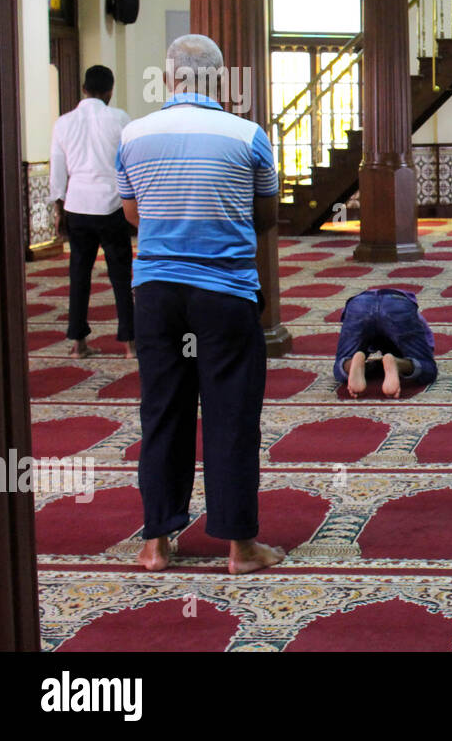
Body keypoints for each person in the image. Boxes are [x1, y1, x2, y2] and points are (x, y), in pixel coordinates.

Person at [115, 34, 284, 575]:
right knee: (232, 416)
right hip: (226, 293)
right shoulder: (248, 135)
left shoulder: (133, 135)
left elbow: (132, 214)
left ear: (170, 78)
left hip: (157, 294)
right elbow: (265, 215)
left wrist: (172, 226)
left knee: (162, 411)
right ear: (218, 80)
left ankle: (157, 544)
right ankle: (240, 548)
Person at [48, 65, 134, 357]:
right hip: (111, 205)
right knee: (121, 274)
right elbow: (130, 163)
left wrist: (59, 209)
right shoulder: (120, 119)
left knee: (79, 274)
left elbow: (57, 171)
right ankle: (129, 343)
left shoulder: (63, 123)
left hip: (78, 206)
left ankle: (78, 342)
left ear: (83, 89)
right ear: (110, 91)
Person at [334, 288, 438, 398]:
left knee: (342, 361)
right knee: (427, 369)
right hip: (397, 305)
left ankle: (352, 364)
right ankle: (398, 364)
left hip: (360, 303)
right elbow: (428, 346)